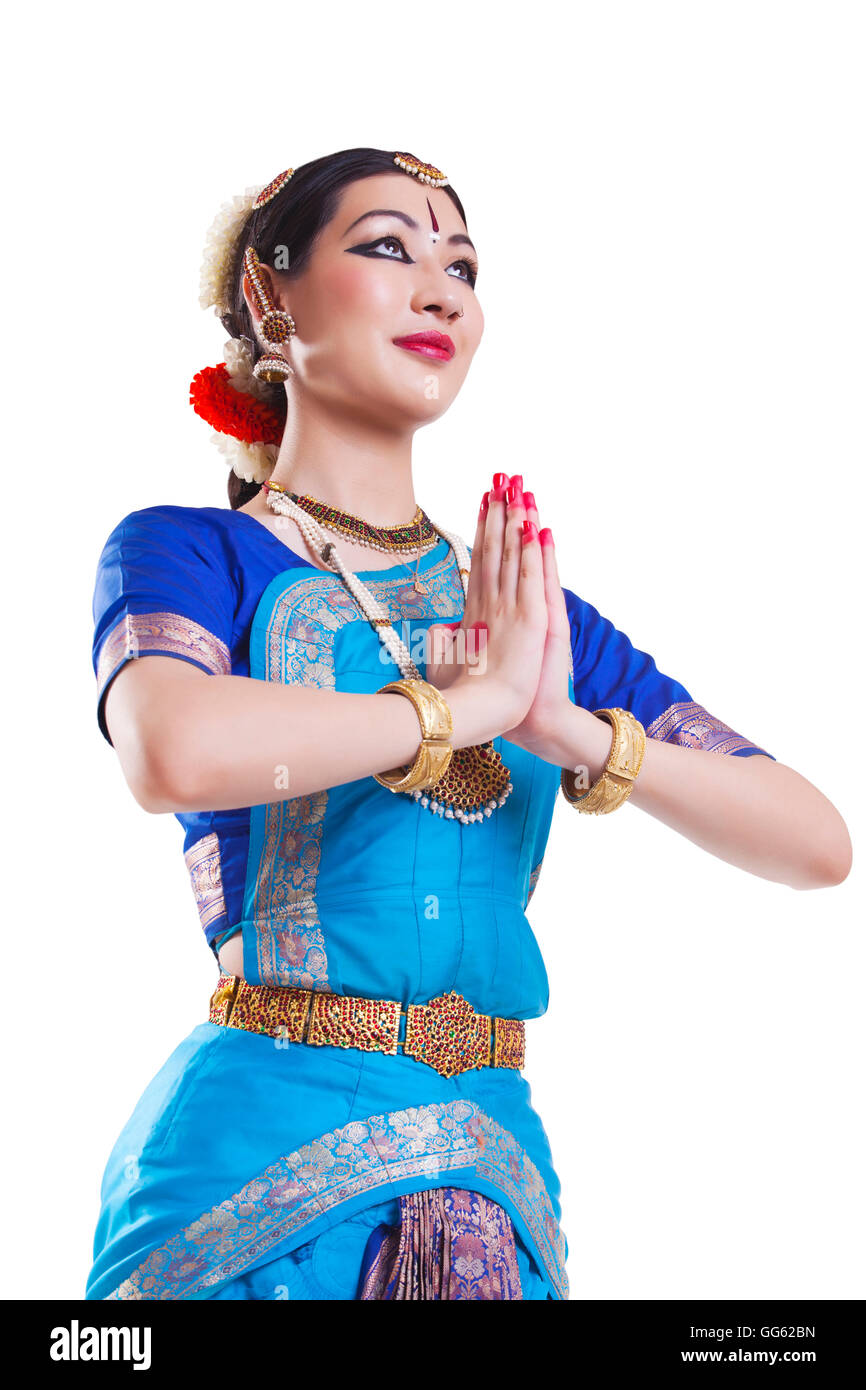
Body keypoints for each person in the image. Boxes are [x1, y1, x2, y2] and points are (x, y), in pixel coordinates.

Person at [85, 148, 851, 1302]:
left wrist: (571, 729)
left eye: (462, 264)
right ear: (269, 295)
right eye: (387, 247)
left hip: (495, 1184)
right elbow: (175, 749)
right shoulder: (193, 553)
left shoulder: (522, 610)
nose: (440, 289)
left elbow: (814, 843)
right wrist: (470, 708)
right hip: (254, 1186)